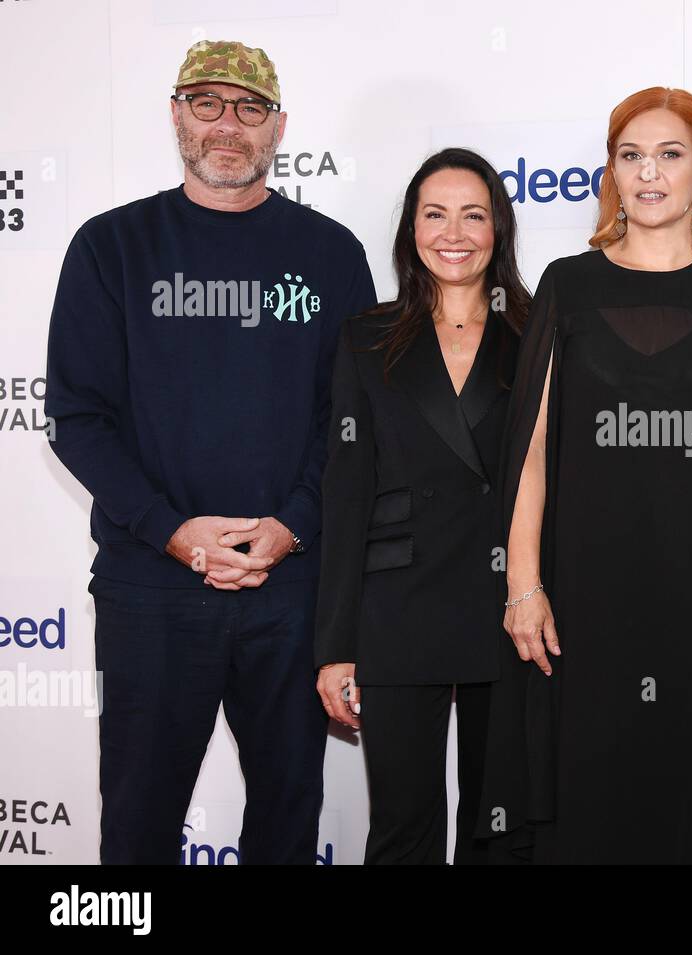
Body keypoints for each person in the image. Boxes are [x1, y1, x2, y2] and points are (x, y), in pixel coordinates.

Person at [43, 40, 377, 864]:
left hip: (293, 590)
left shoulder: (332, 253)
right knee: (137, 826)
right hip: (150, 590)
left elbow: (354, 417)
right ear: (177, 115)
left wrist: (293, 526)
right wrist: (172, 531)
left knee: (288, 822)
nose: (228, 125)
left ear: (279, 127)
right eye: (208, 104)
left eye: (250, 108)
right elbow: (77, 416)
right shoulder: (110, 247)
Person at [476, 86, 692, 864]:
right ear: (611, 172)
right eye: (631, 156)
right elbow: (533, 447)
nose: (649, 173)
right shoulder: (568, 286)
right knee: (590, 796)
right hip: (583, 600)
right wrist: (523, 582)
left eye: (670, 154)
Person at [314, 148, 524, 865]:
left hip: (512, 608)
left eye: (473, 214)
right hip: (398, 608)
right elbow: (346, 494)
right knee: (403, 831)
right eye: (435, 214)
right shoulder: (366, 338)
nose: (454, 232)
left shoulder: (537, 333)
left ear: (499, 226)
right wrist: (335, 645)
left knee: (499, 831)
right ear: (410, 230)